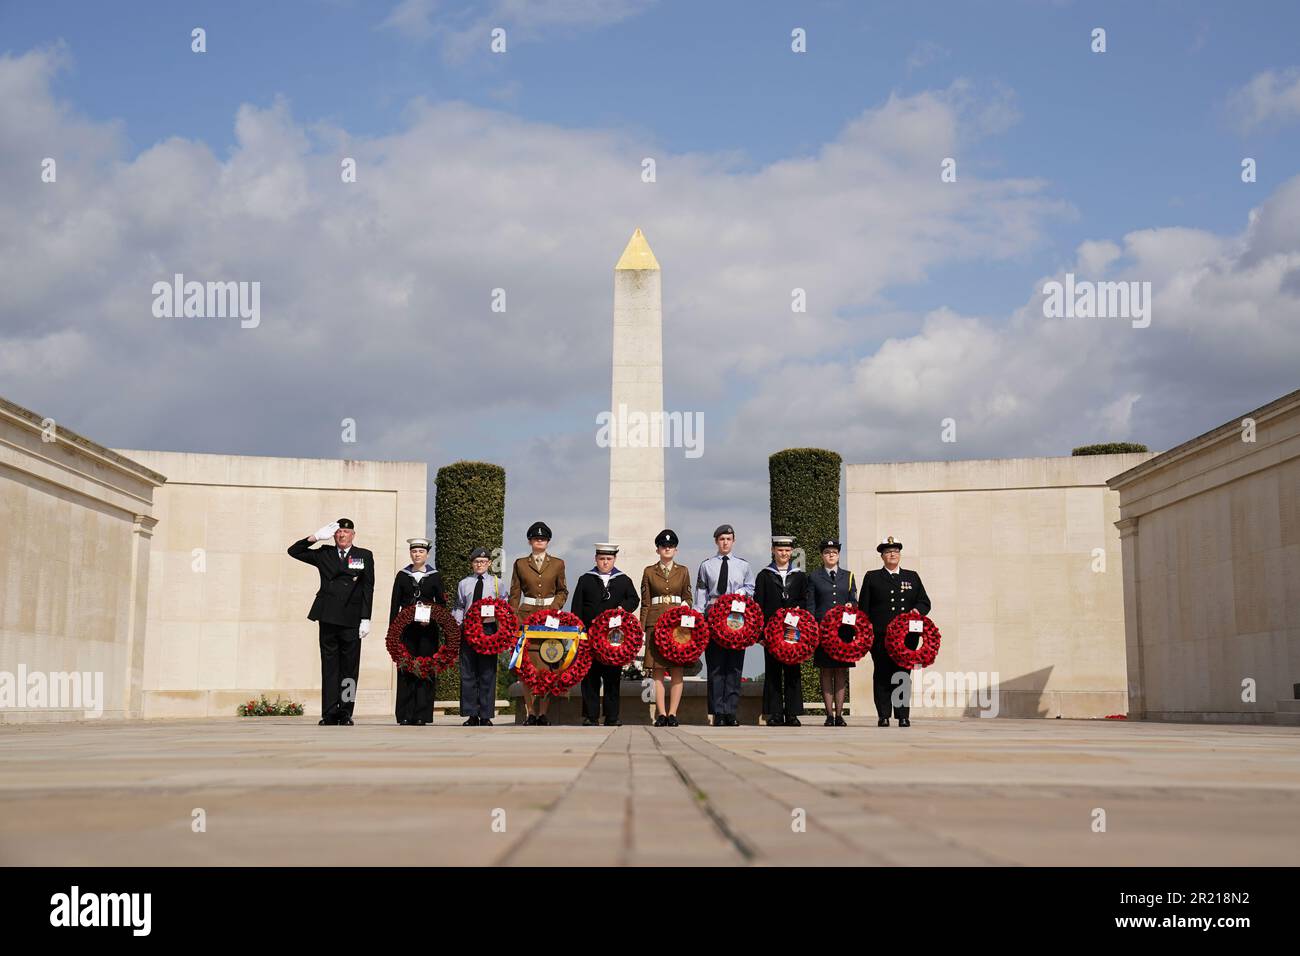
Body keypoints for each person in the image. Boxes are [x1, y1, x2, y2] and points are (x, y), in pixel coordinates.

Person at [287, 518, 375, 726]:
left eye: (346, 531)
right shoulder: (324, 553)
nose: (342, 535)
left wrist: (366, 618)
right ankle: (328, 713)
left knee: (349, 669)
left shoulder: (364, 555)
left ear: (353, 534)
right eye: (338, 532)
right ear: (333, 535)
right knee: (329, 668)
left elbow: (368, 588)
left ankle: (345, 712)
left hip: (352, 619)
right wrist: (315, 537)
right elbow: (293, 551)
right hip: (328, 616)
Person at [858, 535, 932, 727]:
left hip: (906, 637)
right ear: (882, 556)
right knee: (882, 674)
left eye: (896, 551)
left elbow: (924, 601)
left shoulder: (911, 576)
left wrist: (918, 610)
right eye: (888, 552)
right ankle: (883, 715)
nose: (892, 554)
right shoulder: (872, 577)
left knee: (902, 675)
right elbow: (863, 609)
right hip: (880, 636)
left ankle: (902, 715)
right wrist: (866, 634)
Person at [572, 544, 640, 726]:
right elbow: (576, 607)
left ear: (614, 560)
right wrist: (578, 632)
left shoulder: (623, 580)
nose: (605, 562)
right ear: (596, 559)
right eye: (602, 559)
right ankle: (590, 716)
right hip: (590, 638)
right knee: (590, 678)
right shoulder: (585, 579)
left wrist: (622, 608)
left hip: (614, 640)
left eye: (609, 559)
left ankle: (612, 716)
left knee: (612, 678)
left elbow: (634, 598)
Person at [509, 521, 568, 725]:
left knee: (548, 664)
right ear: (530, 541)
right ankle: (530, 712)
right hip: (526, 615)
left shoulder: (558, 563)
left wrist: (554, 608)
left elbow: (562, 590)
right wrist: (513, 618)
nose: (539, 541)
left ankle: (543, 712)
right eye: (536, 538)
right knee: (526, 667)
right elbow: (515, 594)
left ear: (548, 541)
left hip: (550, 618)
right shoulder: (520, 563)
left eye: (542, 539)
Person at [695, 524, 755, 726]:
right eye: (722, 539)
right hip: (713, 615)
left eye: (728, 539)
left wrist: (741, 594)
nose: (725, 542)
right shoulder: (706, 565)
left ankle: (731, 711)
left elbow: (750, 587)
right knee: (716, 666)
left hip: (737, 618)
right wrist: (699, 619)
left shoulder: (743, 565)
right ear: (716, 541)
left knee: (734, 666)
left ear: (733, 541)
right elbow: (701, 594)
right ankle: (718, 712)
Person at [389, 537, 446, 726]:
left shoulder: (435, 576)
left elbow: (442, 604)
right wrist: (393, 631)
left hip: (427, 631)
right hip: (407, 631)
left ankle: (422, 713)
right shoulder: (402, 575)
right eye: (414, 552)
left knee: (425, 669)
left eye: (421, 552)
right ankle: (405, 713)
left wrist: (433, 619)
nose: (417, 554)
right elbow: (394, 603)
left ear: (427, 554)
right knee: (406, 670)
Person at [754, 534, 808, 726]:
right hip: (771, 634)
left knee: (793, 671)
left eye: (787, 551)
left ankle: (792, 714)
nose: (783, 553)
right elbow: (758, 606)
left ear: (792, 552)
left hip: (794, 633)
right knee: (773, 672)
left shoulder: (800, 576)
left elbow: (805, 601)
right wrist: (760, 635)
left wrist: (799, 610)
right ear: (773, 551)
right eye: (780, 550)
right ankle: (774, 713)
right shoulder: (764, 575)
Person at [640, 529, 693, 727]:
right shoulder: (649, 571)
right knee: (658, 670)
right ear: (658, 549)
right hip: (655, 621)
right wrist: (642, 627)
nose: (667, 548)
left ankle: (673, 713)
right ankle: (661, 714)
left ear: (676, 549)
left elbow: (688, 596)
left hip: (677, 625)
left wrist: (686, 612)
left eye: (670, 546)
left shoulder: (684, 570)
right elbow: (645, 602)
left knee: (677, 669)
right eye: (663, 546)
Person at [805, 538, 857, 726]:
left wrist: (852, 605)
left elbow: (854, 600)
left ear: (838, 555)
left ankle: (840, 715)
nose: (831, 555)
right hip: (823, 631)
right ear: (822, 555)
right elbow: (811, 604)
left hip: (843, 632)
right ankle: (829, 715)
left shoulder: (849, 576)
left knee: (841, 671)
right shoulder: (814, 577)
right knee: (826, 671)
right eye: (827, 552)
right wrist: (812, 626)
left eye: (834, 552)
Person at [453, 547, 505, 727]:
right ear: (472, 563)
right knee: (468, 672)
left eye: (483, 562)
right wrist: (457, 625)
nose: (479, 565)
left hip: (488, 629)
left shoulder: (497, 583)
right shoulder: (464, 583)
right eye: (476, 562)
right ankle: (471, 714)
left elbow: (503, 607)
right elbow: (459, 606)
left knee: (487, 672)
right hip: (468, 629)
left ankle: (486, 714)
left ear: (489, 563)